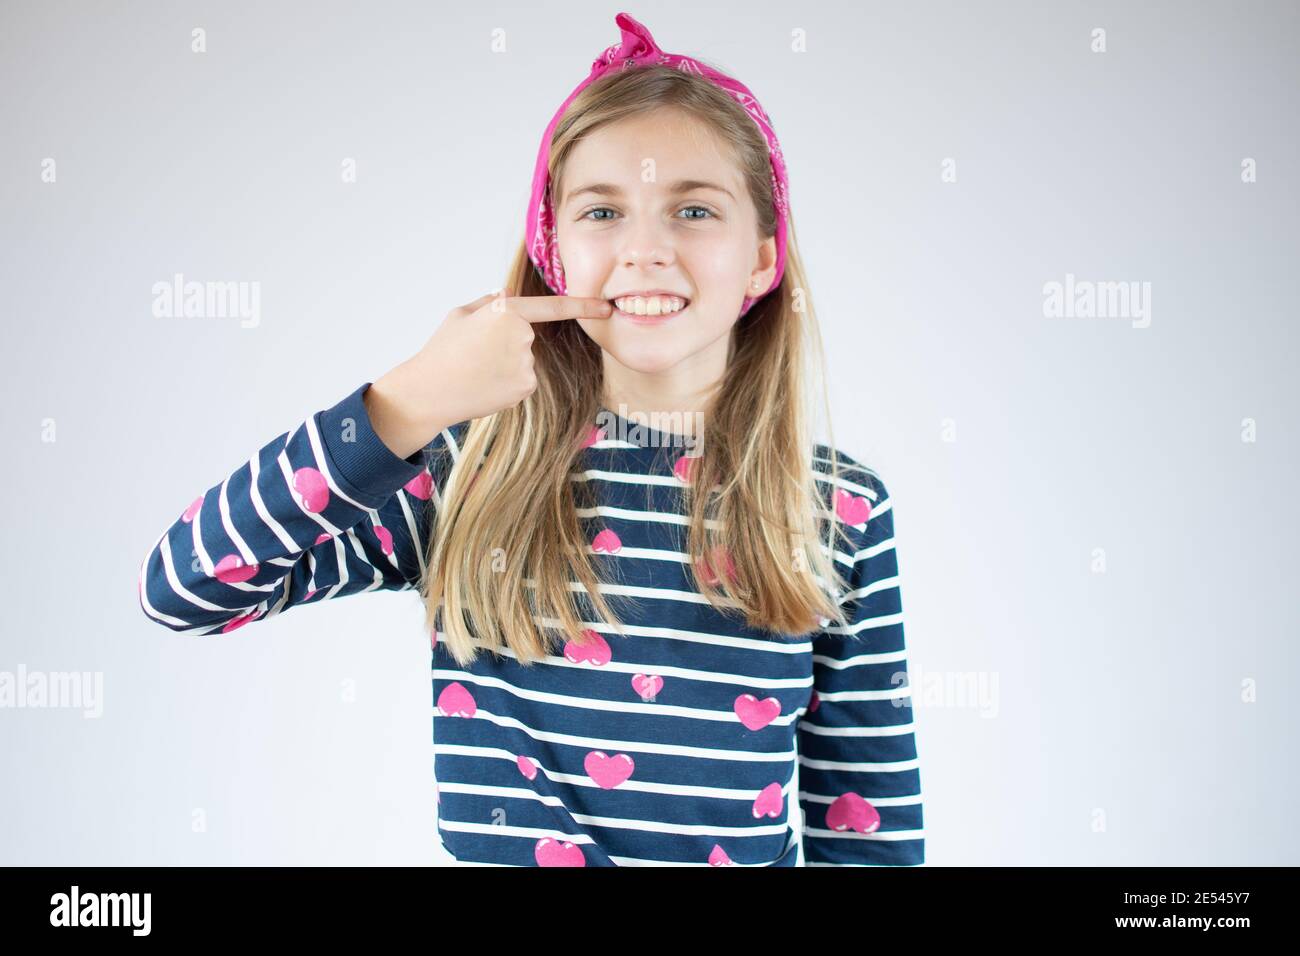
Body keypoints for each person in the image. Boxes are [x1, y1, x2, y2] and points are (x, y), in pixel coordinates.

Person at [138, 11, 925, 867]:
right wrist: (405, 404)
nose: (646, 250)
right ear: (553, 250)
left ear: (764, 260)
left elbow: (869, 820)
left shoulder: (840, 508)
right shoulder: (463, 471)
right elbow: (186, 587)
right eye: (602, 213)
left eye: (694, 210)